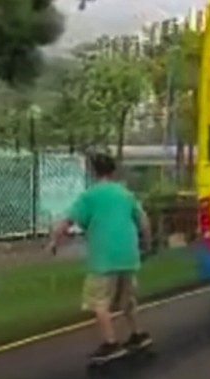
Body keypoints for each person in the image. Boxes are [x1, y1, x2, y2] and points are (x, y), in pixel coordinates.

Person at [49, 152, 153, 364]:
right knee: (128, 299)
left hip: (104, 258)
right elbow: (143, 221)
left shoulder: (90, 196)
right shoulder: (125, 194)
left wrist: (54, 241)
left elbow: (67, 221)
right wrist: (147, 244)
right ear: (113, 171)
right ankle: (137, 334)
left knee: (99, 302)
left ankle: (111, 343)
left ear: (91, 171)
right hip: (128, 254)